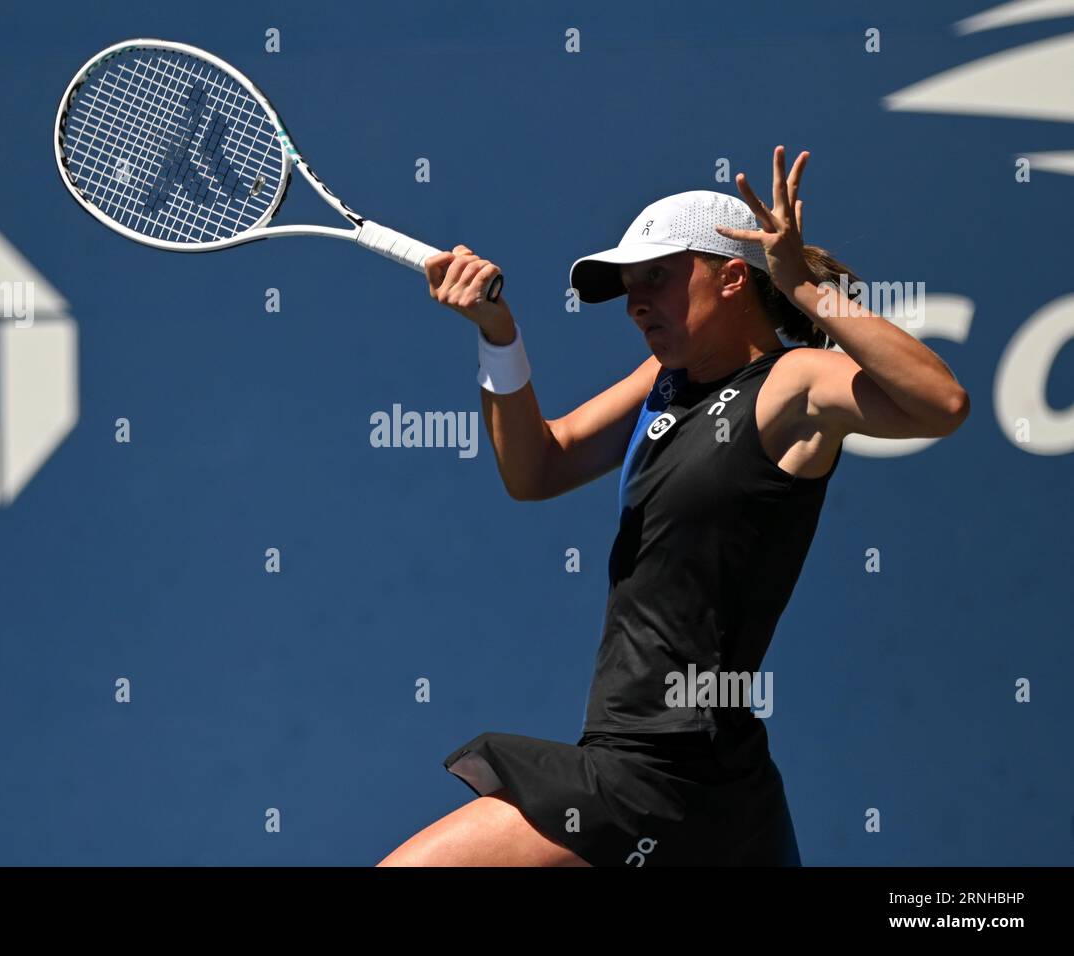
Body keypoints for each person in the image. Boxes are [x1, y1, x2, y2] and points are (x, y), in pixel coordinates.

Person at [376, 147, 969, 867]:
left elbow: (941, 403)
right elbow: (538, 466)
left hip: (667, 770)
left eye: (657, 276)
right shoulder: (665, 381)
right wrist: (498, 334)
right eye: (628, 287)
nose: (635, 302)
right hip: (691, 781)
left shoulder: (792, 385)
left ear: (731, 278)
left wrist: (807, 293)